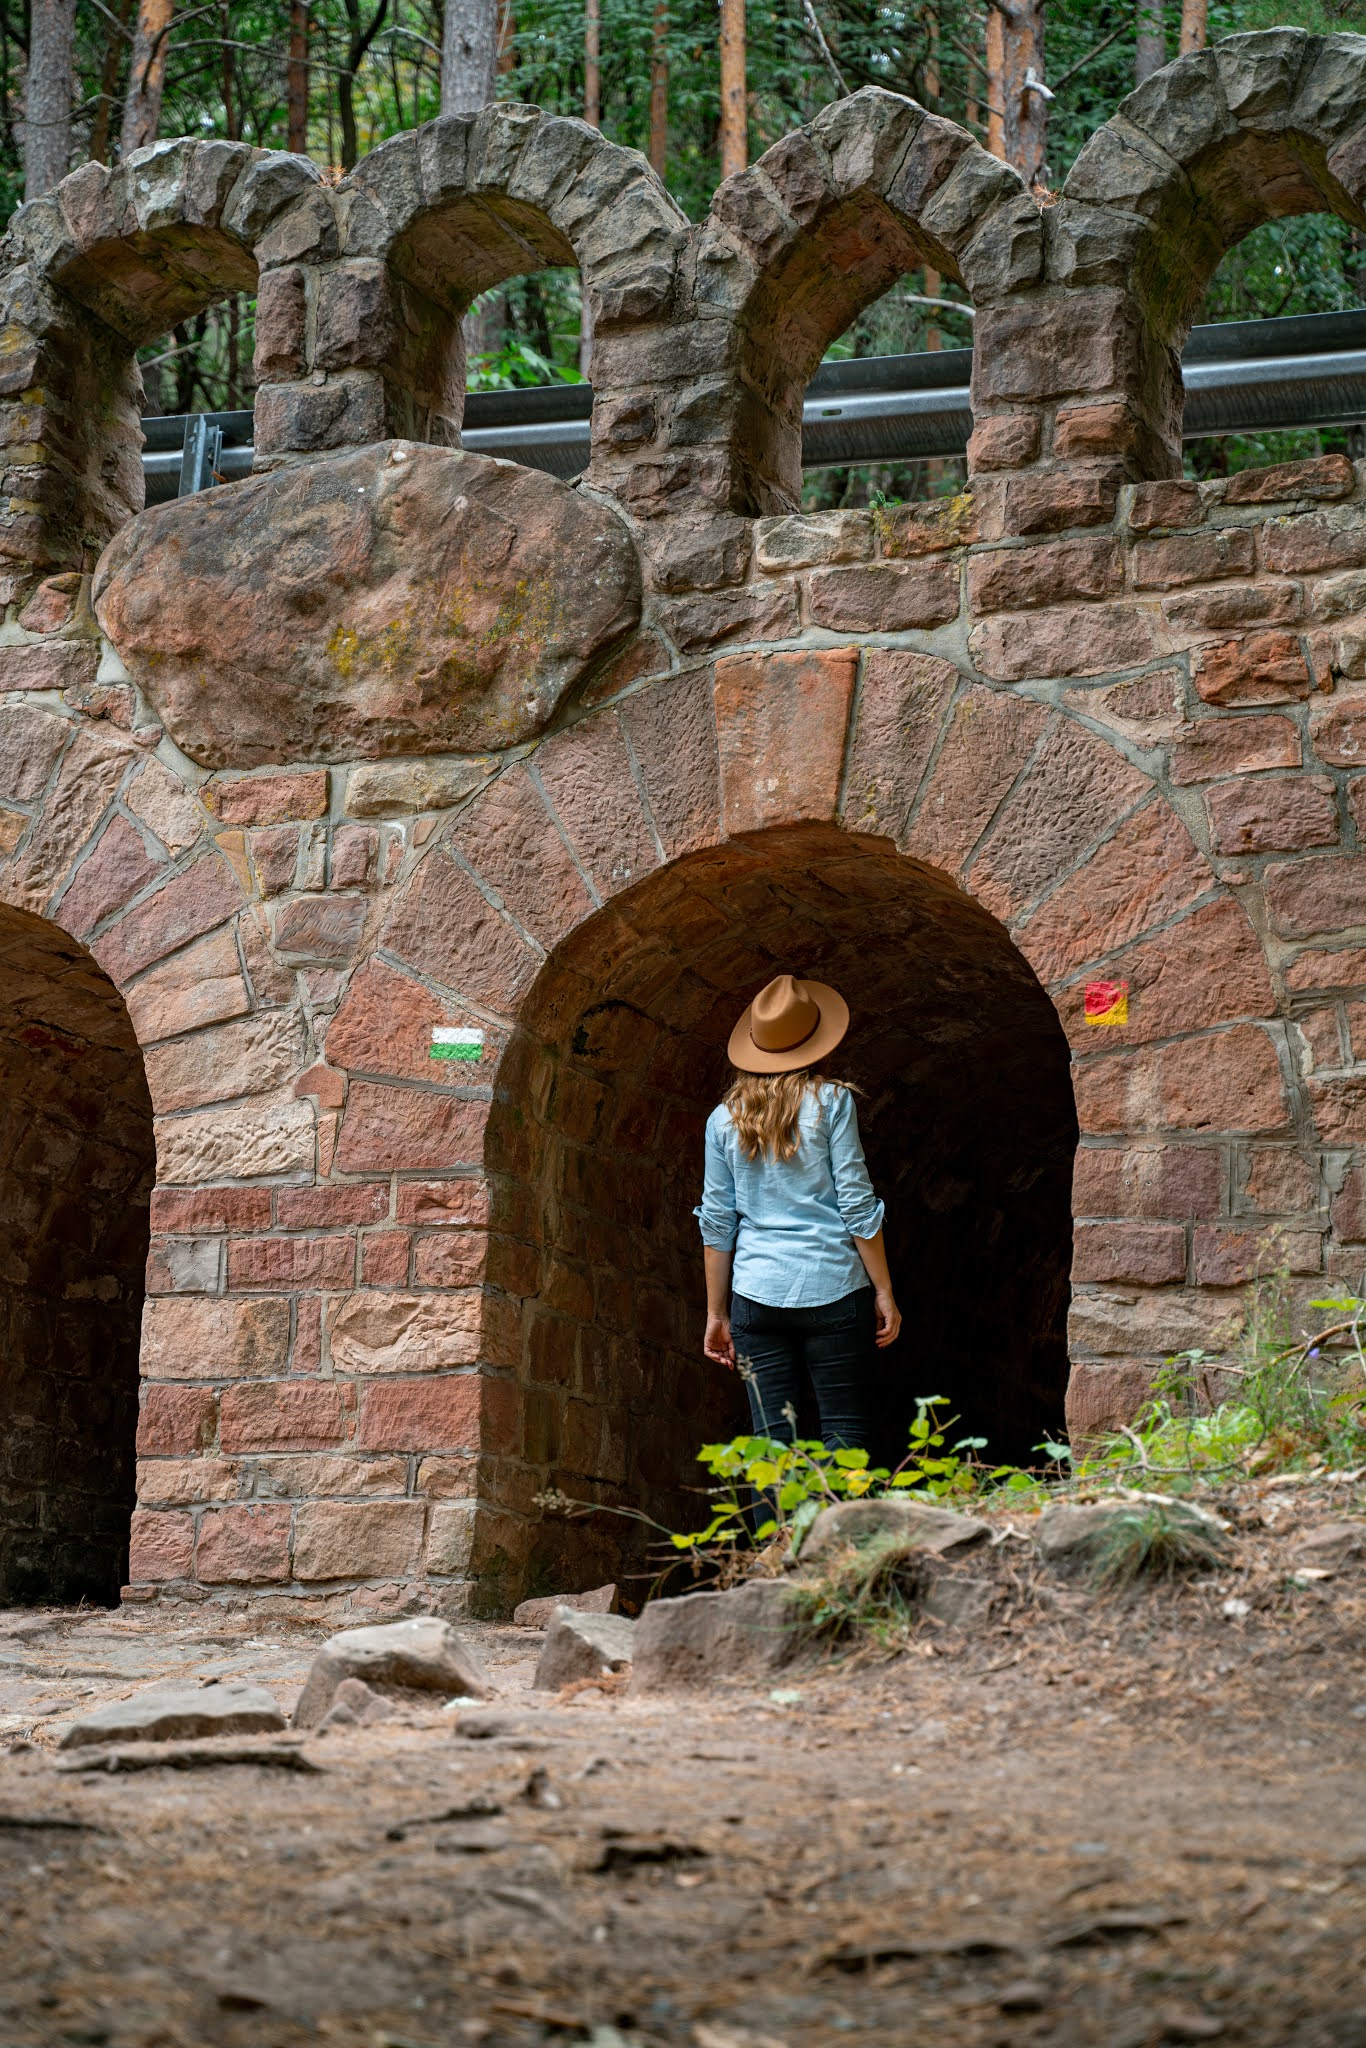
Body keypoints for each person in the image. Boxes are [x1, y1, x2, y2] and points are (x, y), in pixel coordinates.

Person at [694, 973, 901, 1452]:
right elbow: (855, 1202)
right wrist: (884, 1290)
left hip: (756, 1294)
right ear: (817, 1042)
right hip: (833, 1287)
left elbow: (717, 1222)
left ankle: (777, 1533)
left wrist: (715, 1312)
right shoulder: (832, 1102)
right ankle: (842, 1530)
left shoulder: (723, 1119)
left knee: (770, 1446)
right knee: (844, 1431)